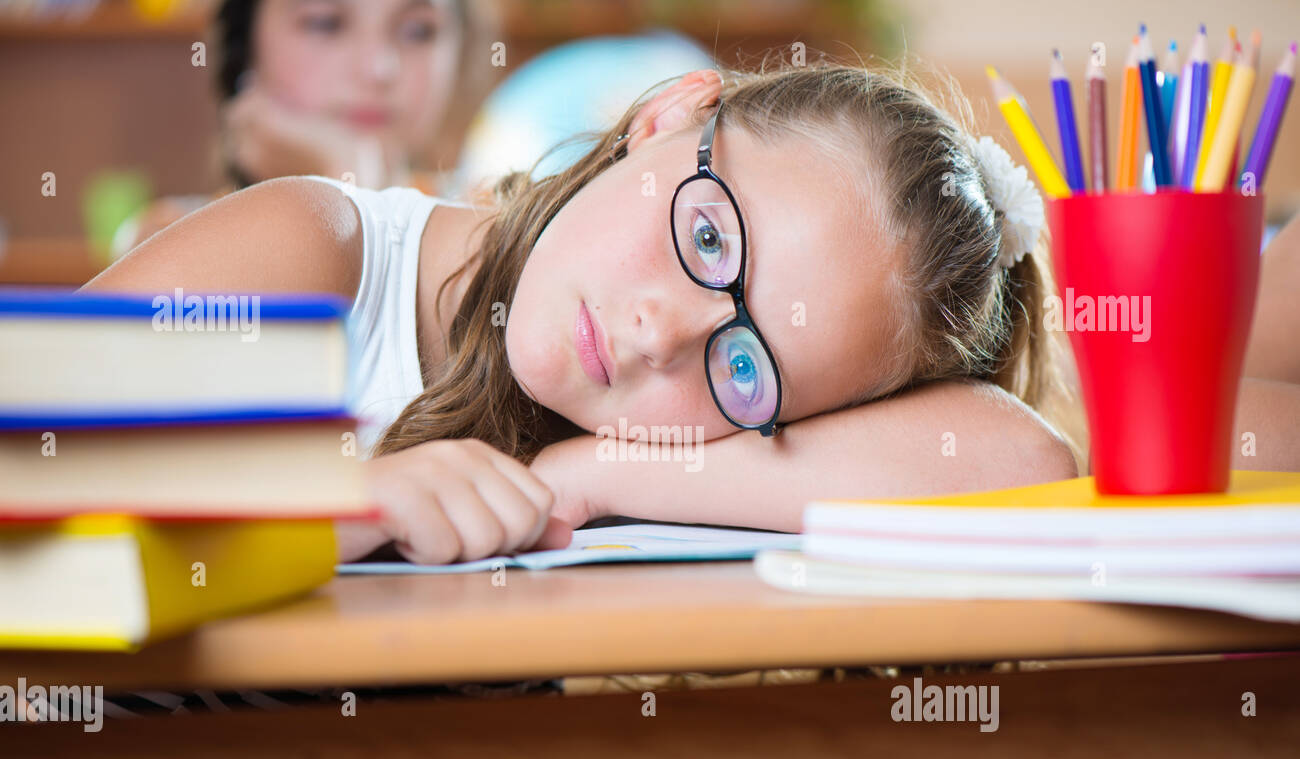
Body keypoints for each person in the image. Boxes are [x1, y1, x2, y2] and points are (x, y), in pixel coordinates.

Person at [86, 62, 1300, 565]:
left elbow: (1018, 453)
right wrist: (328, 494)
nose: (665, 334)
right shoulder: (325, 254)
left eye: (743, 367)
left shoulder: (633, 448)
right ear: (667, 113)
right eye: (708, 237)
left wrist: (594, 474)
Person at [114, 0, 471, 255]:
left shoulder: (486, 231)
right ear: (246, 44)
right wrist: (341, 197)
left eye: (417, 30)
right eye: (326, 22)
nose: (379, 68)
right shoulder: (169, 243)